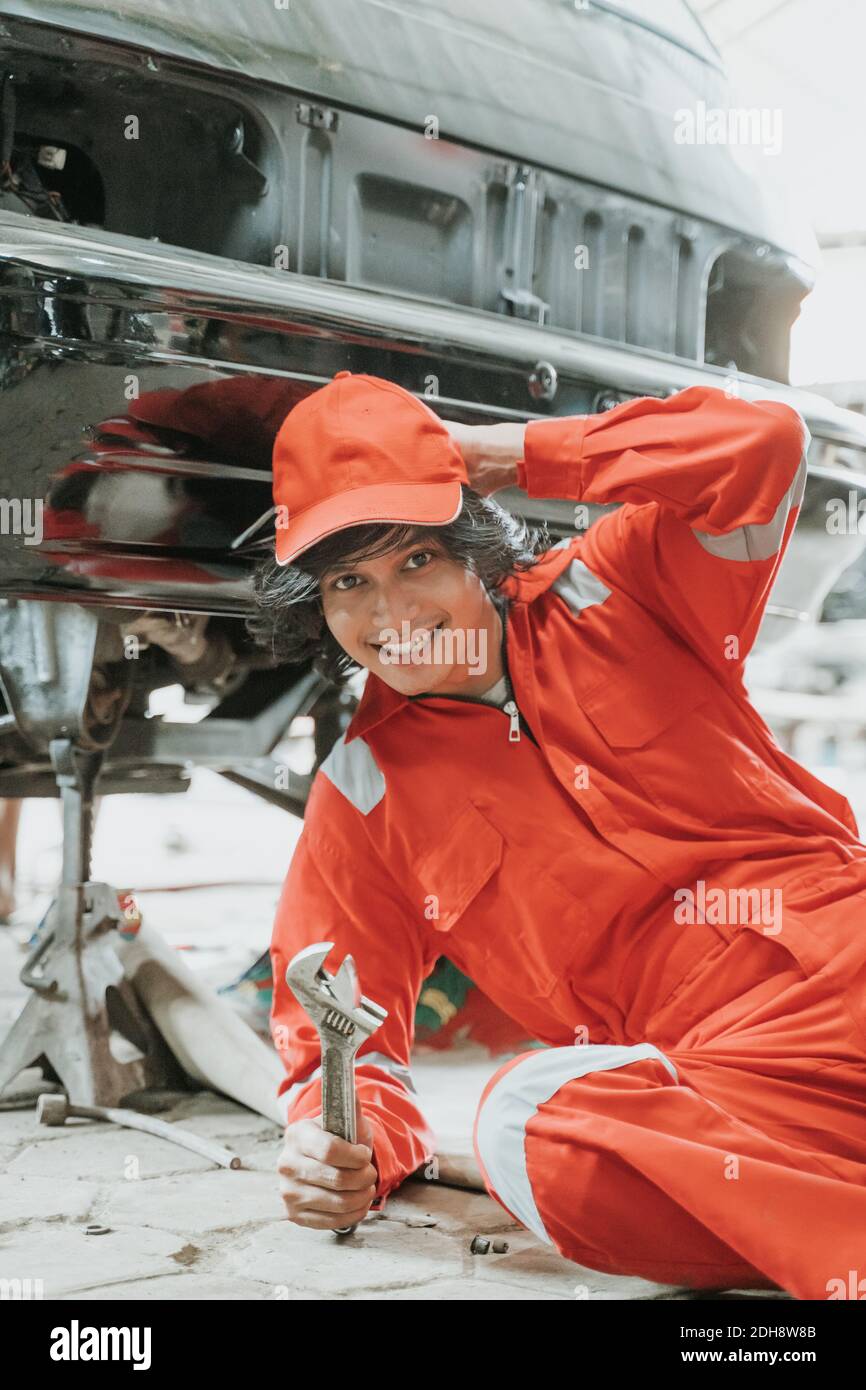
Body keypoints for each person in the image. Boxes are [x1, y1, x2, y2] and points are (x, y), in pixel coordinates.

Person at [253, 371, 866, 1299]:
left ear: (475, 546)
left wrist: (514, 453)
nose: (392, 617)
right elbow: (340, 1041)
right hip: (735, 1083)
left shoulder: (621, 583)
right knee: (526, 1127)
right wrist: (343, 1146)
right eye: (349, 582)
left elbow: (765, 445)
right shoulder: (363, 799)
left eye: (418, 559)